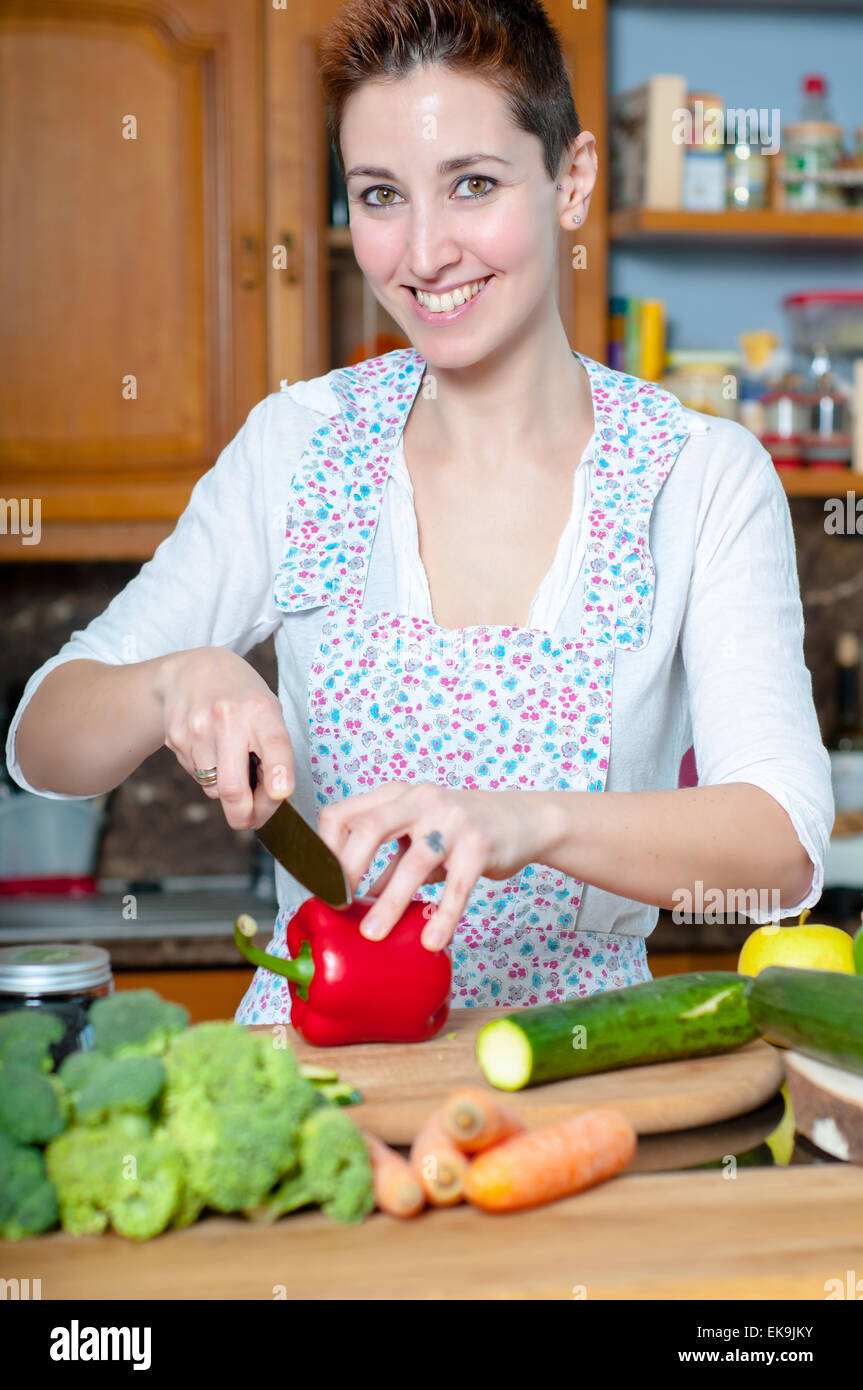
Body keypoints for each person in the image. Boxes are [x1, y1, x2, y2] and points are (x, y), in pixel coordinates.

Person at [6, 0, 833, 1022]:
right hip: (319, 1085)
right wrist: (175, 680)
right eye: (380, 196)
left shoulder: (698, 476)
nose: (425, 252)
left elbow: (781, 850)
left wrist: (527, 821)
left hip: (571, 1085)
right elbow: (43, 744)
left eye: (473, 184)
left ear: (568, 181)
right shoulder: (296, 446)